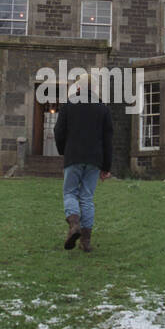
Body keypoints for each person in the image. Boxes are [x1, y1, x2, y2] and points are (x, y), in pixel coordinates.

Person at [54, 72, 112, 252]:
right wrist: (106, 167)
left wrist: (64, 150)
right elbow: (108, 139)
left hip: (74, 156)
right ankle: (85, 242)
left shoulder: (69, 105)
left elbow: (58, 131)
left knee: (70, 193)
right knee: (86, 197)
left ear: (78, 88)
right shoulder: (103, 108)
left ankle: (74, 225)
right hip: (95, 159)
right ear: (94, 89)